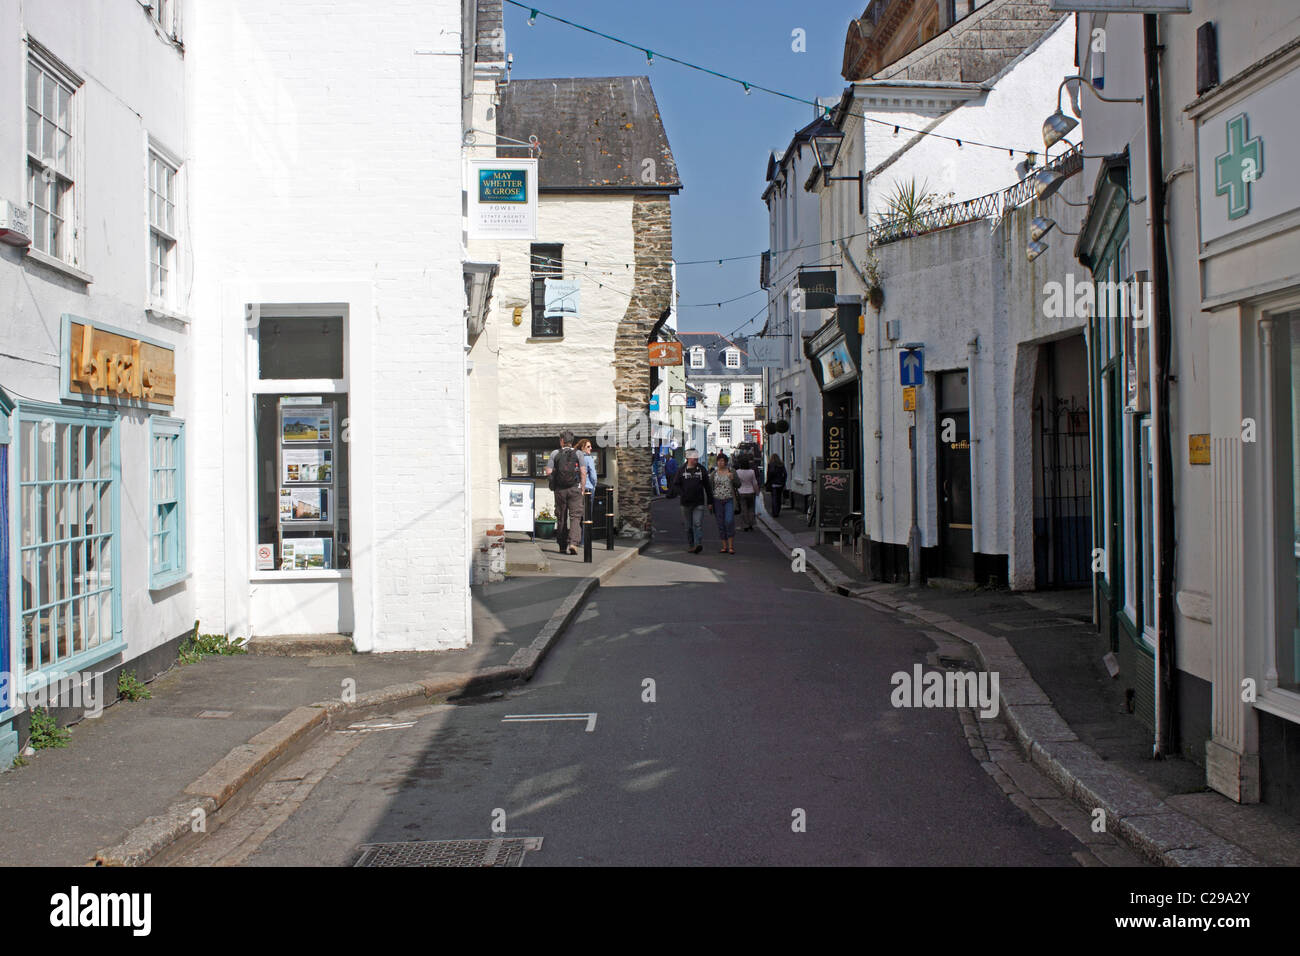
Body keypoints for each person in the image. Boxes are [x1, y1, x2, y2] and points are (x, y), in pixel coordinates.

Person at [547, 430, 587, 555]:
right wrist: (583, 488)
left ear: (562, 441)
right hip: (574, 488)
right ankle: (573, 543)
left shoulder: (555, 453)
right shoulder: (579, 453)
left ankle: (562, 546)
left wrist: (554, 475)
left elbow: (548, 471)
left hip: (560, 490)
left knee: (561, 517)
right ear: (572, 441)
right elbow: (583, 472)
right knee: (575, 517)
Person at [670, 448, 712, 553]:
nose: (696, 458)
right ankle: (691, 545)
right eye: (693, 456)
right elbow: (675, 485)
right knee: (688, 527)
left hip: (699, 502)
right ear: (688, 457)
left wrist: (710, 502)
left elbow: (707, 486)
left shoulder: (702, 470)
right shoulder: (681, 470)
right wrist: (682, 493)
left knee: (697, 523)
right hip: (685, 503)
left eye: (696, 456)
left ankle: (698, 544)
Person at [710, 452, 737, 554]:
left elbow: (738, 484)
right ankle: (724, 546)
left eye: (723, 461)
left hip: (729, 499)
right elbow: (710, 487)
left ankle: (731, 546)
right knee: (720, 523)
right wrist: (710, 502)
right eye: (719, 461)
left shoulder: (731, 471)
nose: (721, 463)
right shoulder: (714, 474)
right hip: (717, 500)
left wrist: (732, 479)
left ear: (726, 462)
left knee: (729, 521)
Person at [577, 438, 598, 545]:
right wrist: (594, 485)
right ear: (582, 448)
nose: (591, 448)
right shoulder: (588, 458)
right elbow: (593, 475)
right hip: (588, 488)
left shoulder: (576, 457)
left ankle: (575, 539)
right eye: (588, 446)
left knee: (577, 514)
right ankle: (584, 541)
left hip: (576, 488)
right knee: (587, 515)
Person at [735, 457, 759, 532]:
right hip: (751, 492)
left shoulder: (738, 472)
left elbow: (736, 482)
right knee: (751, 509)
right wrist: (757, 491)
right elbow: (754, 483)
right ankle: (751, 524)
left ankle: (745, 525)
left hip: (741, 492)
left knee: (743, 509)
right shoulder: (751, 472)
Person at [765, 453, 787, 518]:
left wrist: (767, 482)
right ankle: (778, 510)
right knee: (779, 498)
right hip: (780, 484)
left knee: (774, 498)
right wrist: (783, 482)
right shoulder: (781, 464)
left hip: (773, 484)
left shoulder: (770, 465)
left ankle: (775, 512)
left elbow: (769, 475)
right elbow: (785, 474)